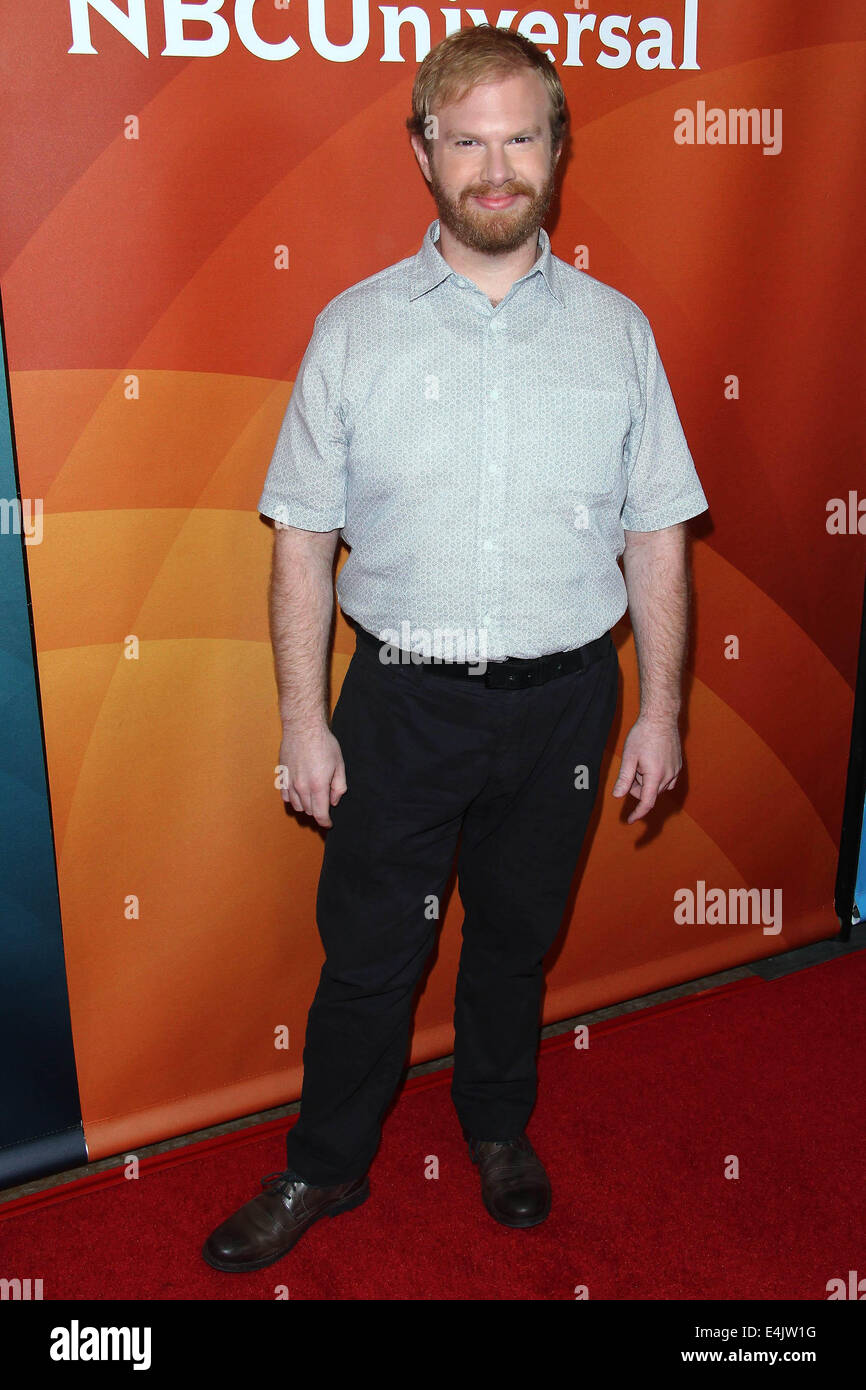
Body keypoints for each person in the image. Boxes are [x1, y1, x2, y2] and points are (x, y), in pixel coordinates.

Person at [202, 23, 709, 1274]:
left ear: (556, 150)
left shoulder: (617, 333)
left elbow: (655, 532)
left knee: (512, 943)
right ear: (423, 152)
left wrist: (659, 712)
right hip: (400, 708)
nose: (494, 168)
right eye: (466, 141)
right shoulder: (353, 331)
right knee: (370, 956)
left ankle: (494, 1128)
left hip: (565, 704)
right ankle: (326, 1162)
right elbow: (301, 540)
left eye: (518, 138)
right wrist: (303, 719)